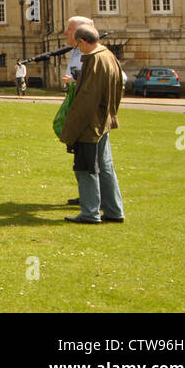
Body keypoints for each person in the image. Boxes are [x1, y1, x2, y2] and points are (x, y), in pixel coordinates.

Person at [59, 24, 125, 224]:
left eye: (78, 44)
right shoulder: (108, 55)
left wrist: (70, 130)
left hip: (91, 125)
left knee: (86, 168)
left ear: (83, 41)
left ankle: (90, 213)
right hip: (103, 120)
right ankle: (114, 210)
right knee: (105, 167)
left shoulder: (95, 59)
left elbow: (86, 99)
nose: (77, 49)